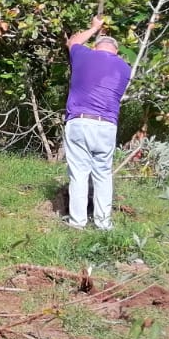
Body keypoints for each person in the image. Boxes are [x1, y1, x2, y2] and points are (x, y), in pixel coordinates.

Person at [63, 16, 131, 230]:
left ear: (94, 47)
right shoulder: (125, 68)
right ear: (116, 52)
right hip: (107, 126)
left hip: (80, 121)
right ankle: (103, 223)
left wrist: (94, 27)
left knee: (79, 174)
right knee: (103, 174)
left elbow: (72, 42)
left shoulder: (84, 56)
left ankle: (78, 222)